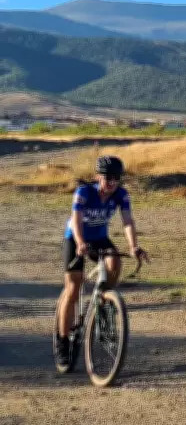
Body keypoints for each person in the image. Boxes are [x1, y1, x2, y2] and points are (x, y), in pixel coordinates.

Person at [55, 155, 149, 367]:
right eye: (107, 178)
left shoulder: (121, 195)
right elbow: (77, 220)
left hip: (98, 238)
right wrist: (79, 242)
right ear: (98, 177)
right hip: (75, 237)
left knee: (115, 263)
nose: (112, 182)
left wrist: (133, 246)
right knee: (74, 285)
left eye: (116, 178)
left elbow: (127, 221)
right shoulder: (84, 192)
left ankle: (104, 301)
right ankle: (62, 343)